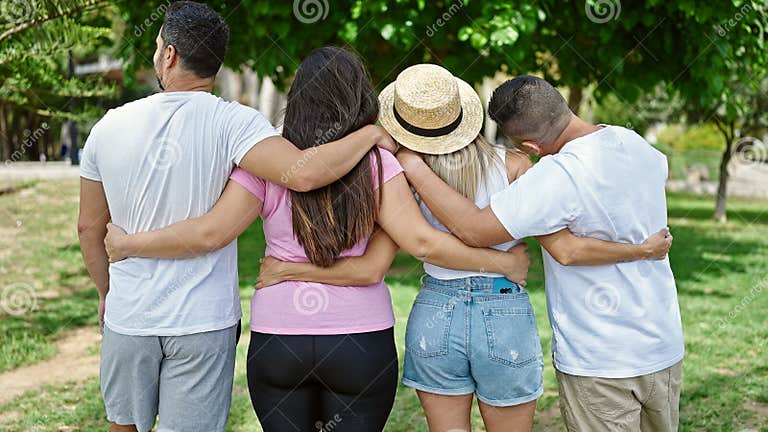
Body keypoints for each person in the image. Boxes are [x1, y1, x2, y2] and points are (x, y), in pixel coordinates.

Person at [103, 47, 532, 432]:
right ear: (360, 100)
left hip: (278, 341)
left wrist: (129, 244)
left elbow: (211, 232)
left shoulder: (269, 164)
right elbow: (422, 244)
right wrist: (500, 263)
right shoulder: (378, 164)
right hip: (359, 344)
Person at [254, 64, 673, 432]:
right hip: (505, 311)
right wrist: (509, 262)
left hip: (437, 310)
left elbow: (425, 242)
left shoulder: (398, 170)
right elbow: (560, 246)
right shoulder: (517, 166)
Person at [76, 2, 396, 432]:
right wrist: (371, 133)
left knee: (124, 426)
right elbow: (304, 175)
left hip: (128, 314)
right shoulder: (236, 124)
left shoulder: (108, 126)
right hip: (202, 321)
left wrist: (106, 290)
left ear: (168, 54)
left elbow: (89, 228)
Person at [396, 74, 684, 432]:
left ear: (531, 145)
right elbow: (568, 247)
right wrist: (641, 249)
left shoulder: (554, 176)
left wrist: (412, 166)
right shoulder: (636, 144)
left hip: (600, 356)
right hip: (662, 345)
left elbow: (476, 229)